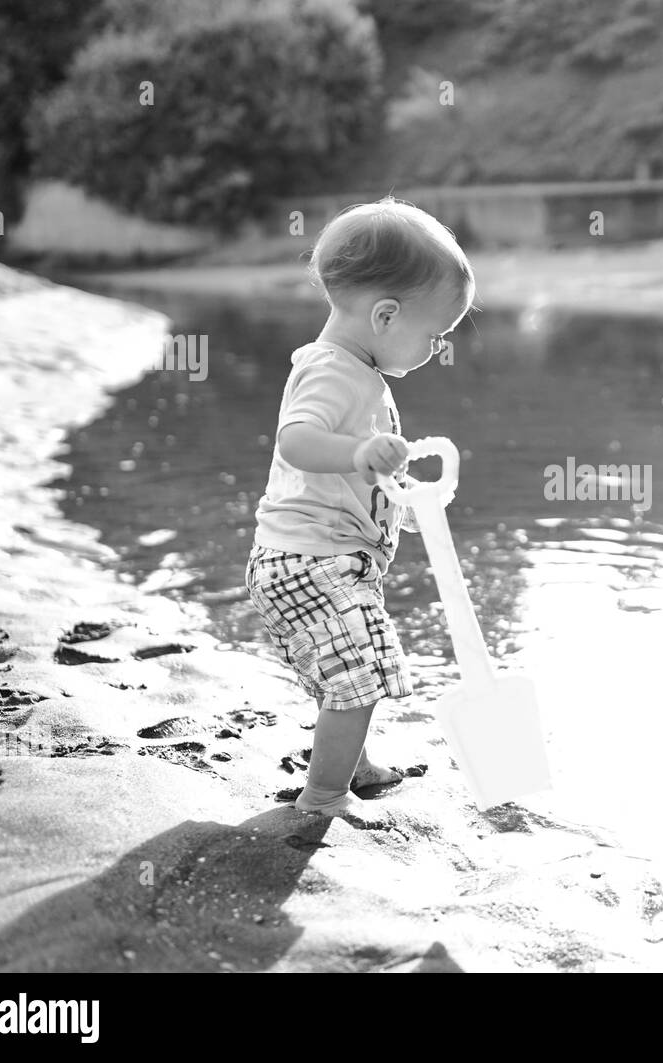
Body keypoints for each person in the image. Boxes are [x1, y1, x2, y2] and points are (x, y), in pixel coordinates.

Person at [245, 197, 474, 823]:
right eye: (433, 336)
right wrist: (360, 450)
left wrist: (398, 505)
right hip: (309, 560)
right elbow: (295, 441)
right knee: (363, 670)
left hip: (320, 556)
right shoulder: (332, 373)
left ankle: (351, 764)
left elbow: (358, 481)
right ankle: (322, 797)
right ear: (385, 314)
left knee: (347, 668)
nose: (433, 350)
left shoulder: (359, 371)